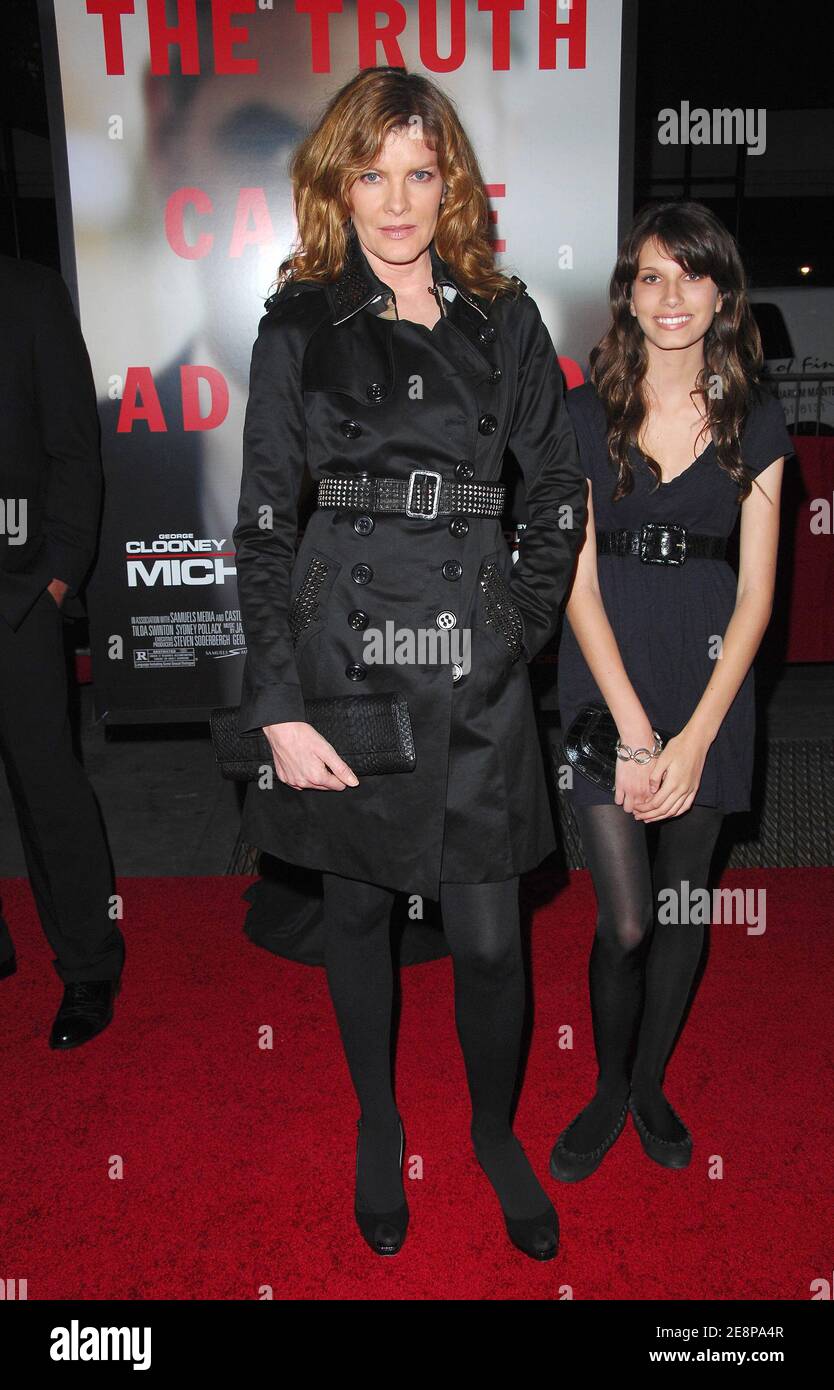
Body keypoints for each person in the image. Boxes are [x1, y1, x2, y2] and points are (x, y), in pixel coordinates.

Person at [234, 66, 587, 1259]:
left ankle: (491, 1132)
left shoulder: (509, 318)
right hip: (348, 659)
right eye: (373, 176)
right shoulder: (298, 325)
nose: (397, 202)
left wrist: (520, 621)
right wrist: (278, 703)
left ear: (452, 186)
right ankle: (379, 1121)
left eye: (420, 174)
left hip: (479, 666)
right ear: (341, 184)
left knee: (491, 936)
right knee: (358, 912)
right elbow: (265, 527)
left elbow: (558, 495)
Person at [550, 201, 793, 1181]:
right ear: (630, 295)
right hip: (599, 676)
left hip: (711, 678)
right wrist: (639, 734)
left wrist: (692, 738)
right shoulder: (579, 412)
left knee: (684, 909)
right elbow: (572, 582)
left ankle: (650, 1083)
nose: (672, 296)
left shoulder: (756, 418)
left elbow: (760, 594)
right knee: (627, 918)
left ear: (722, 293)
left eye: (692, 276)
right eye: (652, 276)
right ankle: (608, 1083)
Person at [0, 253, 124, 1047]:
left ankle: (87, 966)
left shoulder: (27, 294)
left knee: (48, 789)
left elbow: (76, 449)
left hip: (14, 596)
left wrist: (54, 580)